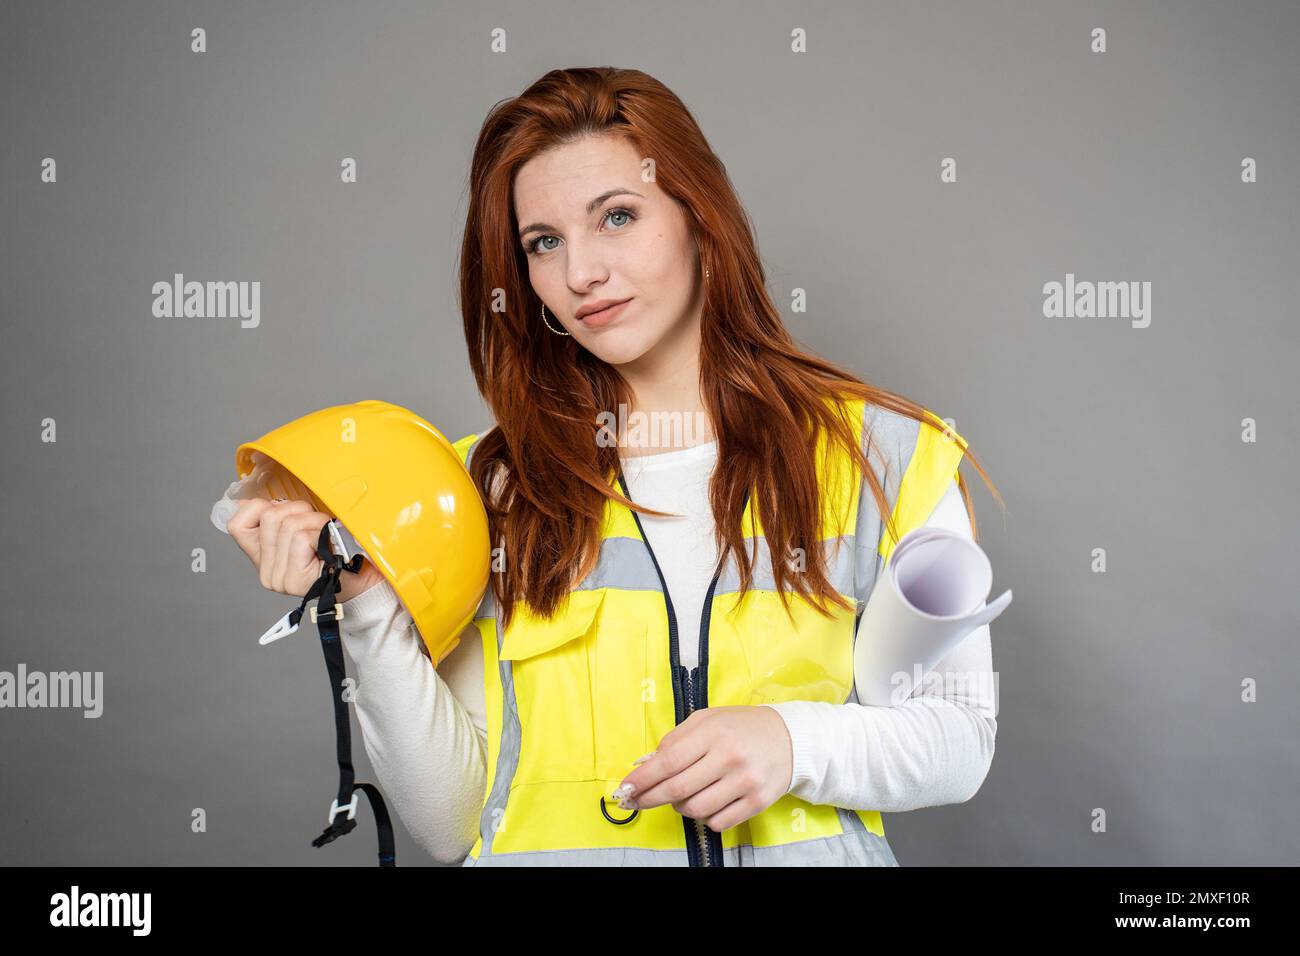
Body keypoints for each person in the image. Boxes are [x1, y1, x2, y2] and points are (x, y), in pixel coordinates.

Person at [230, 66, 1004, 866]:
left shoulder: (881, 456)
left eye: (618, 217)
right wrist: (368, 603)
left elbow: (959, 736)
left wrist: (792, 742)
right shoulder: (481, 490)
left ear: (700, 218)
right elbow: (459, 819)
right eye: (544, 243)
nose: (580, 275)